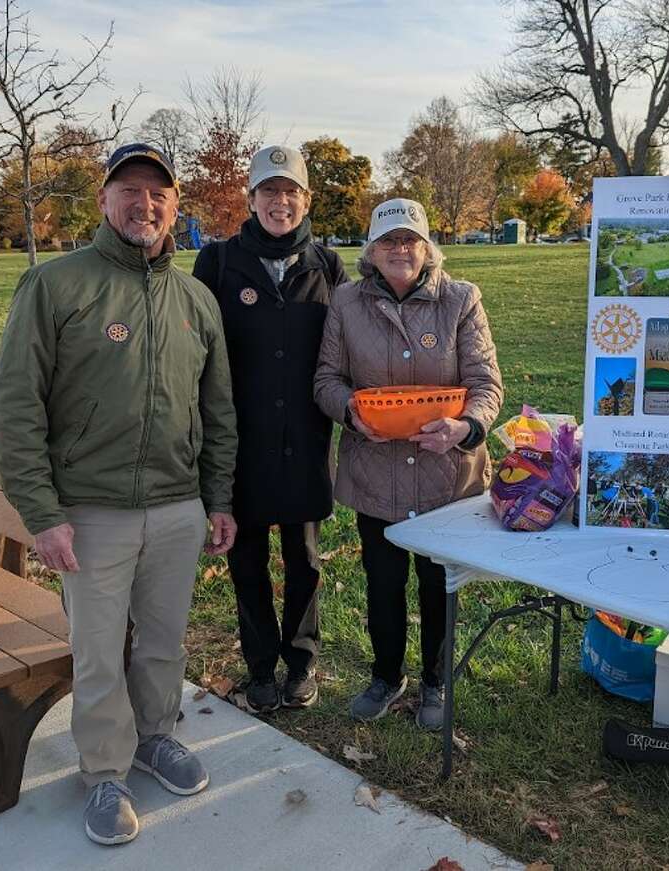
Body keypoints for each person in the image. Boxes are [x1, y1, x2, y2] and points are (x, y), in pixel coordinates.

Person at [0, 143, 237, 846]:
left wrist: (218, 498)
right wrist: (43, 513)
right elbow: (14, 405)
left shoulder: (196, 300)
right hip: (91, 511)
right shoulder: (56, 285)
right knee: (98, 652)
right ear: (103, 200)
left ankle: (155, 736)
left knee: (162, 643)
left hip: (177, 507)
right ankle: (103, 769)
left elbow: (217, 410)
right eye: (129, 189)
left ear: (175, 206)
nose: (144, 204)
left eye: (158, 193)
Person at [314, 198, 502, 730]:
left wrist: (465, 427)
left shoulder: (461, 299)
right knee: (383, 583)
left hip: (446, 476)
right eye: (389, 240)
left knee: (438, 585)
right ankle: (386, 675)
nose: (400, 249)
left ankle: (435, 681)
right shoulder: (346, 302)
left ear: (426, 248)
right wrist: (350, 411)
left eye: (409, 240)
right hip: (376, 475)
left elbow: (486, 383)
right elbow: (326, 379)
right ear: (372, 250)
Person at [192, 146, 347, 713]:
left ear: (306, 200)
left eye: (291, 192)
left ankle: (301, 660)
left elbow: (347, 347)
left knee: (304, 556)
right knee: (246, 556)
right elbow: (197, 347)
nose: (280, 202)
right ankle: (260, 665)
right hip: (241, 439)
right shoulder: (219, 261)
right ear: (251, 198)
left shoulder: (328, 266)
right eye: (269, 191)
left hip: (305, 437)